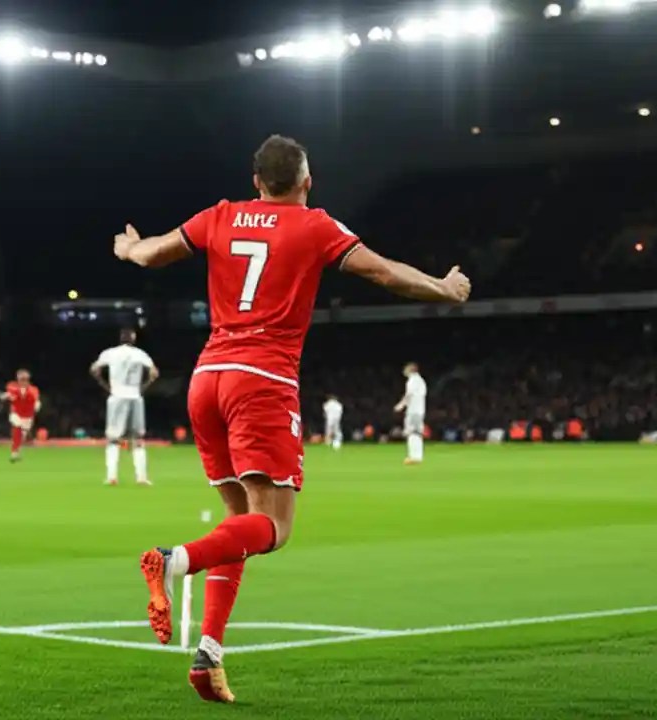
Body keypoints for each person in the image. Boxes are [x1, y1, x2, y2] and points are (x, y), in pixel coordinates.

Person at [111, 134, 470, 703]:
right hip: (263, 382)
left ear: (256, 182)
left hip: (207, 380)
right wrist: (443, 289)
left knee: (239, 525)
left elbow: (153, 253)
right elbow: (381, 272)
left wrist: (129, 249)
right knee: (273, 529)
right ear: (306, 182)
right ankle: (175, 560)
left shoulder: (220, 216)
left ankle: (208, 656)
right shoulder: (314, 225)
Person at [90, 328, 159, 486]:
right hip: (135, 396)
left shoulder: (110, 353)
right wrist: (142, 387)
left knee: (113, 439)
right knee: (137, 439)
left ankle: (112, 476)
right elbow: (154, 373)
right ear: (133, 339)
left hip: (117, 396)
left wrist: (106, 386)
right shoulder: (140, 354)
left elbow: (94, 369)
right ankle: (141, 477)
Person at [1, 369, 40, 462]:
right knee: (17, 428)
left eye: (25, 379)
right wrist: (5, 396)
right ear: (18, 379)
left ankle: (16, 452)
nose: (23, 381)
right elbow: (9, 394)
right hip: (16, 413)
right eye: (21, 379)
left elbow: (36, 400)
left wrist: (37, 405)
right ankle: (14, 453)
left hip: (28, 416)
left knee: (22, 437)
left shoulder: (33, 390)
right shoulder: (11, 386)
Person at [393, 362, 428, 465]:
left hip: (413, 410)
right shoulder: (421, 381)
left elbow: (409, 395)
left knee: (411, 433)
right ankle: (418, 456)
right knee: (417, 433)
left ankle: (413, 456)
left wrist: (401, 405)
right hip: (421, 410)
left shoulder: (412, 380)